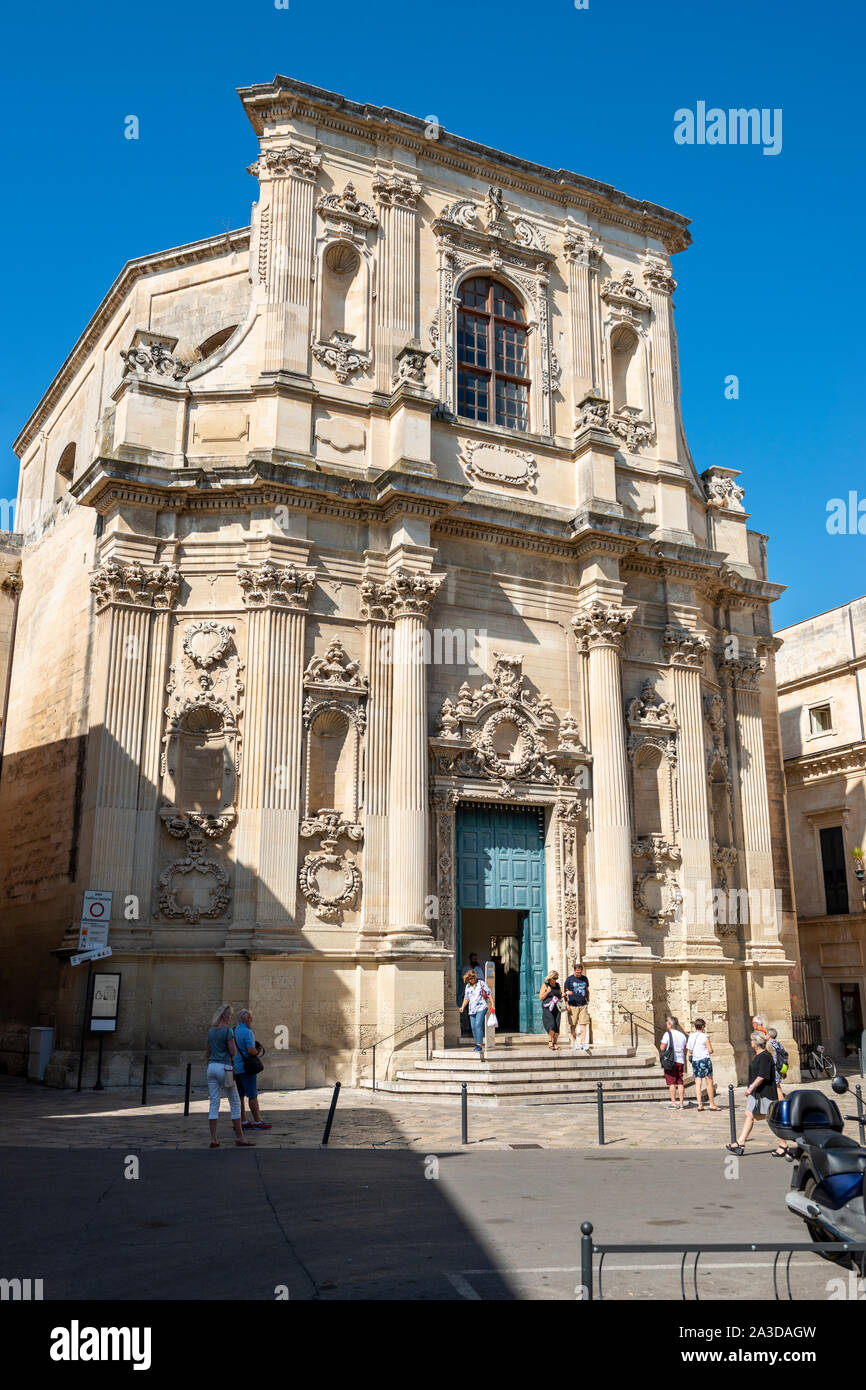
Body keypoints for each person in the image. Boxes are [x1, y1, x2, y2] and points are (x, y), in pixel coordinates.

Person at [726, 1031, 785, 1154]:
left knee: (771, 1118)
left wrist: (750, 1088)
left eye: (752, 1040)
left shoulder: (765, 1056)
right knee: (750, 1114)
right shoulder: (759, 1055)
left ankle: (783, 1145)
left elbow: (762, 1075)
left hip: (765, 1092)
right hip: (757, 1093)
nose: (750, 1042)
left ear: (756, 1043)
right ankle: (740, 1143)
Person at [206, 1004, 254, 1148]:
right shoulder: (227, 1031)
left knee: (214, 1103)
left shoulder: (210, 1032)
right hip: (224, 1068)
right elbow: (233, 1052)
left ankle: (214, 1139)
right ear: (225, 1016)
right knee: (235, 1102)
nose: (231, 1017)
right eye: (230, 1015)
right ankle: (240, 1137)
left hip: (211, 1067)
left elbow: (207, 1053)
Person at [233, 1008, 272, 1131]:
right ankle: (257, 1121)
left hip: (236, 1067)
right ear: (247, 1019)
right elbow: (250, 1050)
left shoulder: (233, 1030)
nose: (251, 1021)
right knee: (252, 1095)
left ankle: (243, 1121)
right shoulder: (247, 1032)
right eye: (250, 1019)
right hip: (247, 1068)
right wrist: (258, 1050)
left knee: (240, 1096)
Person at [686, 1018, 720, 1112]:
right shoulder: (705, 1036)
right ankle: (712, 1104)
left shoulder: (691, 1036)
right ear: (703, 1026)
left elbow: (690, 1050)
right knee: (709, 1082)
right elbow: (710, 1050)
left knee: (698, 1083)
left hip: (695, 1061)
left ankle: (700, 1105)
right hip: (704, 1060)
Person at [458, 970, 491, 1054]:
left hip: (482, 1007)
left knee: (478, 1024)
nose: (469, 981)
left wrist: (493, 1005)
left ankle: (479, 1045)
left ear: (474, 977)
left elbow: (489, 993)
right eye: (468, 979)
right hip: (471, 1009)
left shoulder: (481, 983)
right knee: (473, 1027)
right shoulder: (468, 986)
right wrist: (462, 1006)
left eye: (470, 979)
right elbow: (466, 998)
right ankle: (477, 1044)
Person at [563, 960, 591, 1054]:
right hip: (572, 1005)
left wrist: (588, 1000)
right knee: (573, 1025)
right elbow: (565, 994)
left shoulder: (585, 979)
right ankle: (575, 1042)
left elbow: (587, 990)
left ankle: (583, 1043)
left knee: (583, 1024)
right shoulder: (569, 980)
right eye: (577, 972)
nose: (578, 974)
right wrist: (567, 1004)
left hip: (583, 1005)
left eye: (580, 972)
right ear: (574, 971)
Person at [659, 1015, 688, 1108]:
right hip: (680, 1060)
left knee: (671, 1082)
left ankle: (673, 1103)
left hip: (671, 1061)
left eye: (667, 1023)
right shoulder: (682, 1035)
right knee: (680, 1082)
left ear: (670, 1025)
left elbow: (662, 1047)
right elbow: (685, 1050)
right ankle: (681, 1103)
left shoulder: (667, 1034)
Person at [539, 971, 563, 1051]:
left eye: (557, 978)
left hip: (556, 1007)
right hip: (548, 1007)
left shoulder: (557, 985)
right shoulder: (545, 985)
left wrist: (564, 995)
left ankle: (555, 1043)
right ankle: (550, 1042)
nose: (555, 980)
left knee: (557, 1025)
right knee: (551, 1024)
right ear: (550, 978)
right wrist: (547, 992)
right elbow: (541, 998)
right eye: (554, 978)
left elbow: (560, 995)